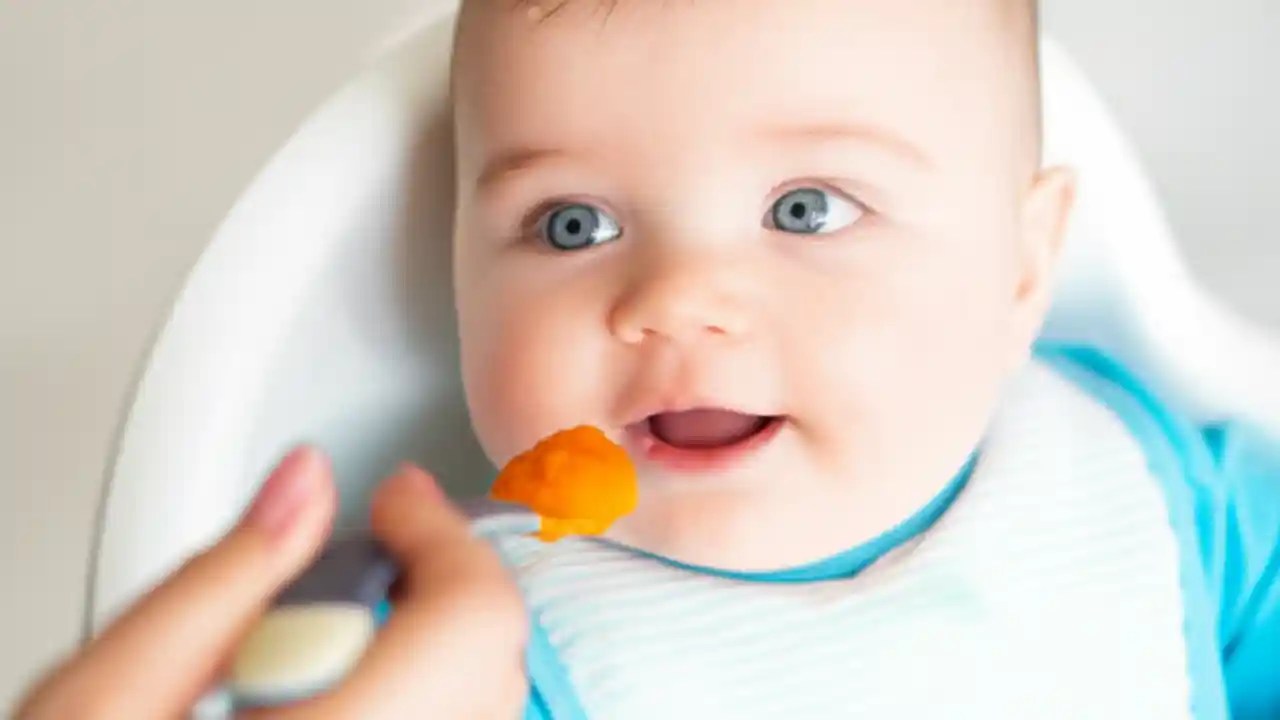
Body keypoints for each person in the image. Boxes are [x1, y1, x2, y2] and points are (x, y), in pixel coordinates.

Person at [21, 0, 1280, 717]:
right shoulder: (472, 658)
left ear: (1019, 268)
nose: (673, 301)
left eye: (806, 210)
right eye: (573, 225)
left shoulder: (1161, 501)